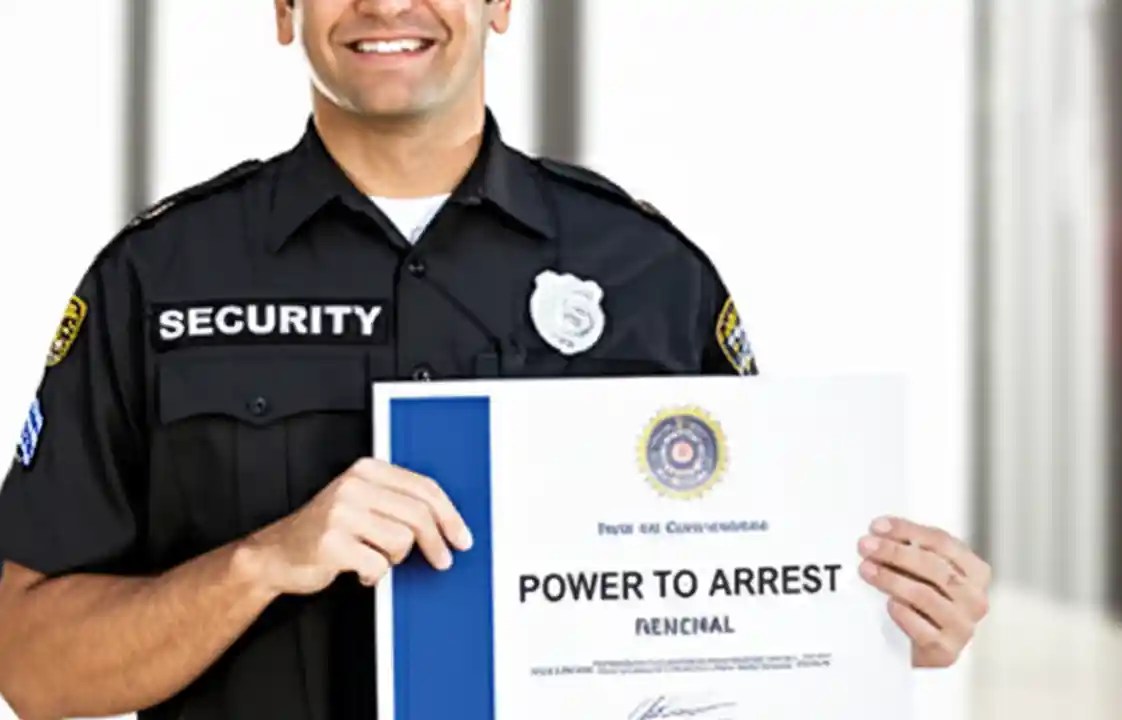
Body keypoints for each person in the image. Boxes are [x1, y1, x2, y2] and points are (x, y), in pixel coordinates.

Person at [0, 1, 992, 718]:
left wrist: (886, 619)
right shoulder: (158, 279)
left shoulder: (647, 273)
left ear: (500, 3)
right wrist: (263, 562)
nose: (386, 5)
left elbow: (738, 601)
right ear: (281, 9)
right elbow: (32, 667)